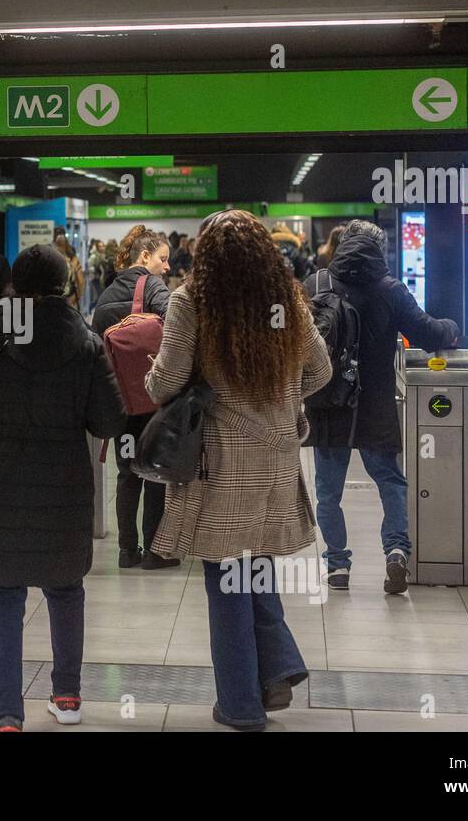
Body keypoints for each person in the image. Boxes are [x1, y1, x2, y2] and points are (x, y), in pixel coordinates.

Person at [145, 209, 331, 731]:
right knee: (254, 568)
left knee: (227, 581)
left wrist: (156, 376)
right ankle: (277, 671)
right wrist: (281, 398)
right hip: (275, 461)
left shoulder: (192, 302)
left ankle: (240, 705)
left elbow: (166, 382)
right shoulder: (288, 299)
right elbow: (320, 369)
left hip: (222, 462)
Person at [0, 244, 127, 733]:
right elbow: (109, 418)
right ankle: (67, 698)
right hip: (63, 488)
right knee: (66, 590)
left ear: (14, 286)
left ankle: (6, 715)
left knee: (2, 596)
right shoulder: (86, 342)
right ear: (64, 284)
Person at [303, 220, 460, 593]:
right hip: (374, 404)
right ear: (381, 250)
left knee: (328, 491)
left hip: (328, 402)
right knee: (390, 481)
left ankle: (337, 566)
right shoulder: (391, 290)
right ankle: (396, 552)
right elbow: (427, 332)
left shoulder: (317, 284)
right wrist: (451, 327)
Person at [90, 224, 177, 569]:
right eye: (163, 259)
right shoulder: (153, 285)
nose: (167, 267)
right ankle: (155, 551)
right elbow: (176, 322)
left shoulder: (106, 295)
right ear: (144, 257)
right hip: (153, 401)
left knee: (127, 473)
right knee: (154, 472)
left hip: (120, 402)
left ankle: (128, 551)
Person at [54, 234, 85, 313]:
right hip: (69, 298)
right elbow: (81, 283)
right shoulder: (73, 260)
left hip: (54, 299)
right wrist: (75, 298)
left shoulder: (51, 259)